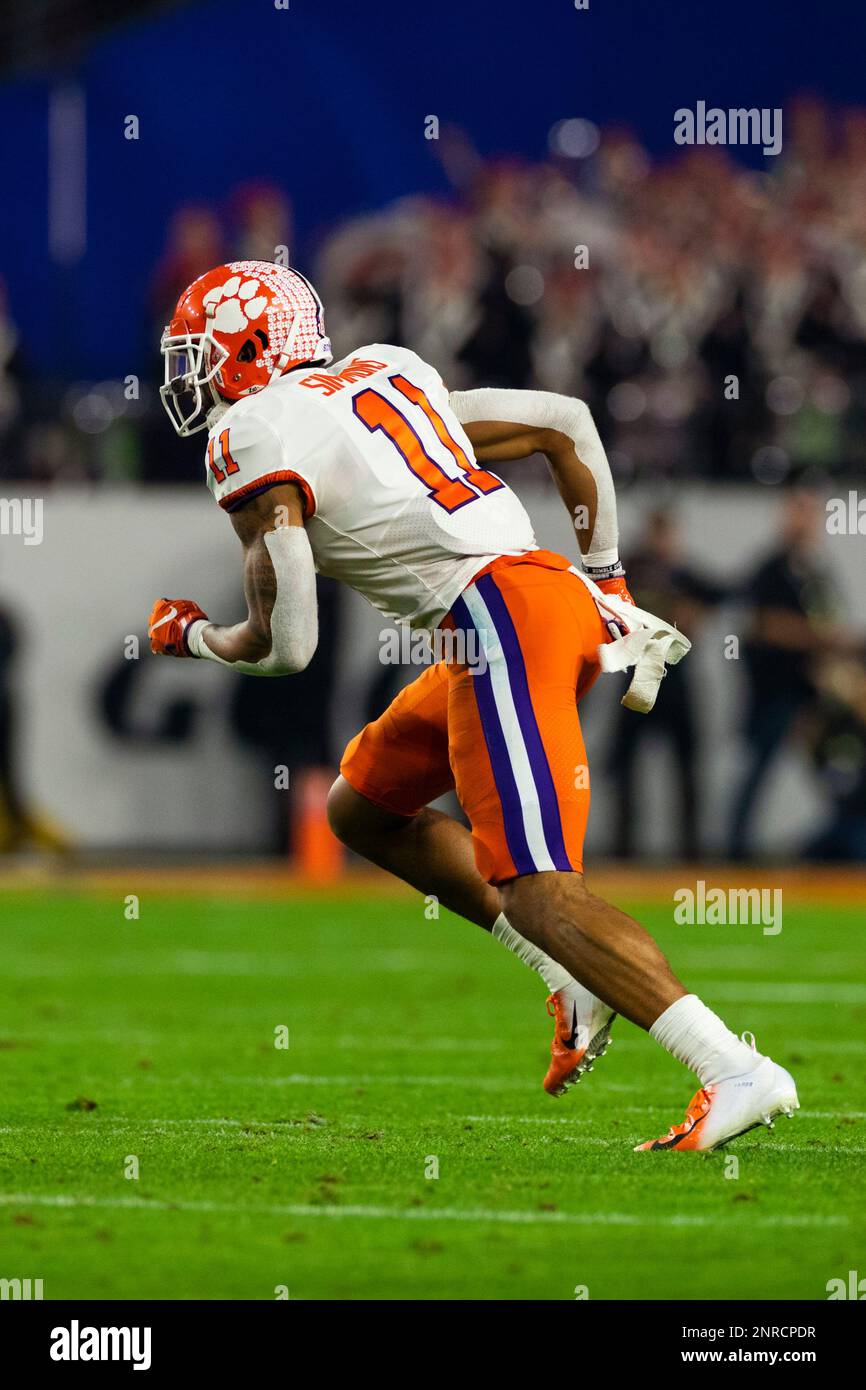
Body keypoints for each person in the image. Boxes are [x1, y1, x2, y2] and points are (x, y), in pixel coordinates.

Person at [148, 259, 798, 1152]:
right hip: (524, 602)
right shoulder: (387, 369)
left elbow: (286, 646)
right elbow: (565, 426)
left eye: (199, 354)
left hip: (497, 617)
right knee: (363, 807)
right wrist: (606, 579)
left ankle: (734, 1068)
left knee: (538, 888)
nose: (190, 378)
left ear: (250, 348)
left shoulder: (253, 434)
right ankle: (570, 980)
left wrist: (191, 640)